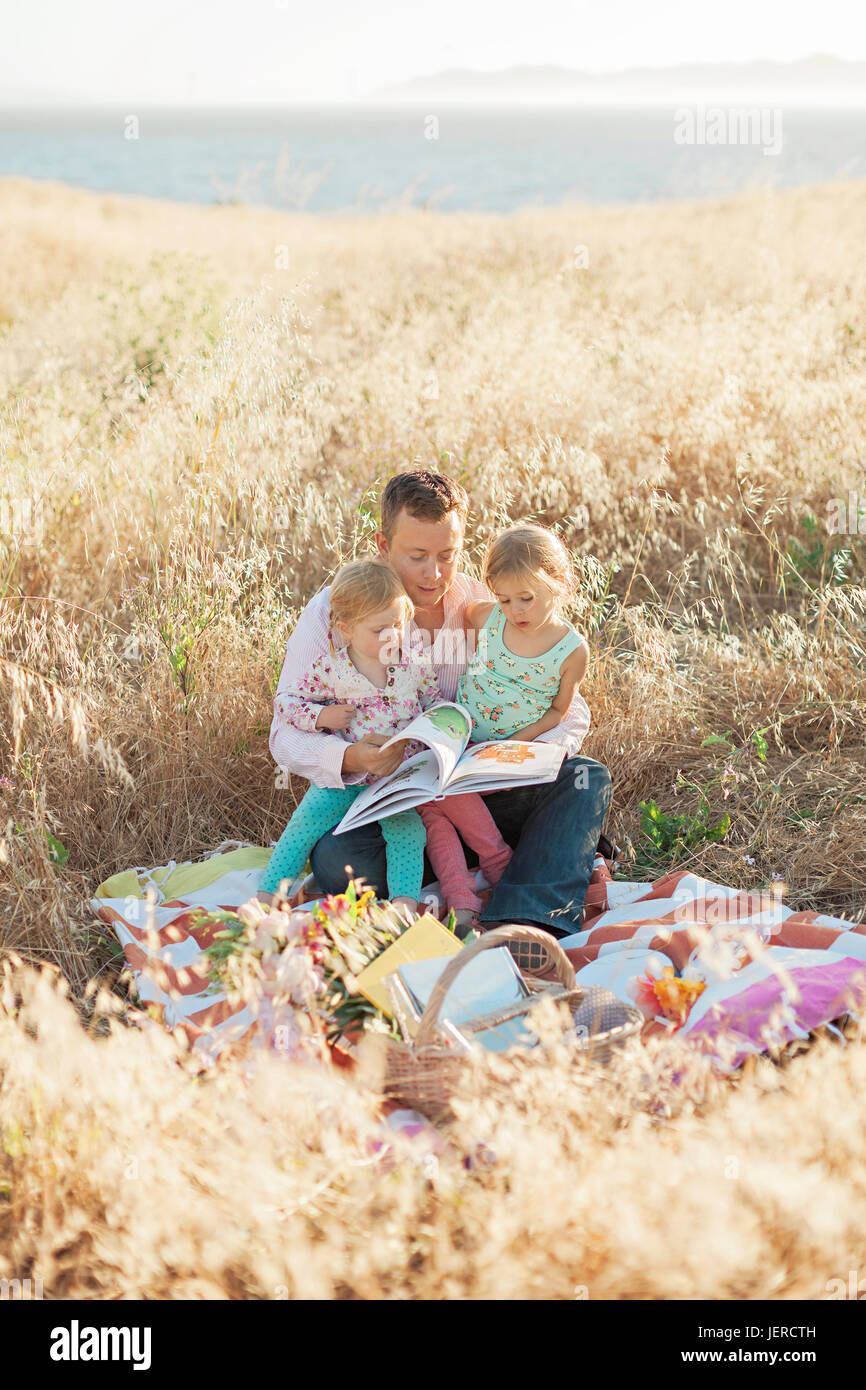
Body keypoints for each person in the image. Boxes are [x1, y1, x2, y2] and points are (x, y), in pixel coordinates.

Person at [268, 470, 612, 941]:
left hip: (480, 789)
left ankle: (524, 922)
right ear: (383, 546)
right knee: (334, 862)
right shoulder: (338, 610)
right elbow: (283, 734)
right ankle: (525, 863)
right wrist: (351, 757)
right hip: (395, 805)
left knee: (586, 778)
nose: (434, 573)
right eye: (417, 556)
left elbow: (568, 710)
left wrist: (517, 755)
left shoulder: (484, 606)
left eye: (447, 556)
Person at [258, 557, 512, 922]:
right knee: (305, 822)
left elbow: (432, 701)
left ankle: (403, 907)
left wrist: (444, 728)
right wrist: (320, 717)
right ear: (345, 629)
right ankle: (268, 895)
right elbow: (286, 703)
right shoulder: (332, 669)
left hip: (398, 779)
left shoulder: (413, 662)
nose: (392, 636)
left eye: (397, 624)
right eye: (379, 630)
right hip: (349, 777)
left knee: (408, 834)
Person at [418, 521, 588, 932]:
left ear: (560, 583)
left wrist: (514, 745)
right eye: (506, 598)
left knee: (588, 776)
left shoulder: (572, 650)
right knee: (431, 802)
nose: (516, 611)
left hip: (505, 757)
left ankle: (500, 881)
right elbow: (464, 608)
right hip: (464, 742)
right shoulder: (490, 617)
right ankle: (465, 895)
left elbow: (558, 712)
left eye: (527, 598)